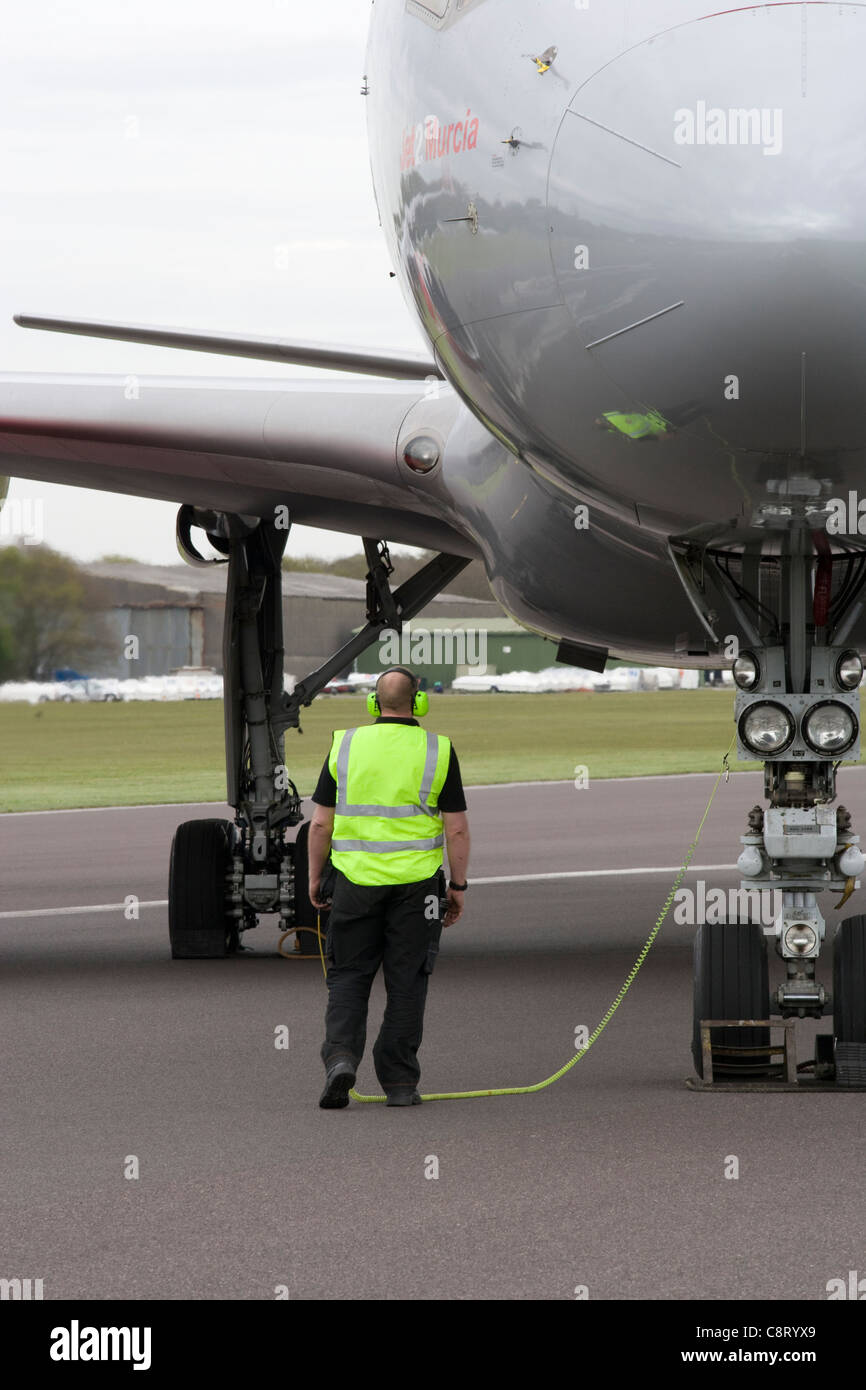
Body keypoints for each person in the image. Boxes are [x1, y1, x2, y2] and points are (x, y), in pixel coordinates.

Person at [307, 666, 470, 1109]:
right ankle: (399, 1084)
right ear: (419, 703)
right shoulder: (438, 749)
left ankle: (341, 1058)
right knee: (407, 982)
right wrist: (458, 887)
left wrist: (315, 877)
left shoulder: (345, 744)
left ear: (374, 703)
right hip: (416, 888)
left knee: (348, 977)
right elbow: (455, 830)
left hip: (355, 883)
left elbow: (320, 822)